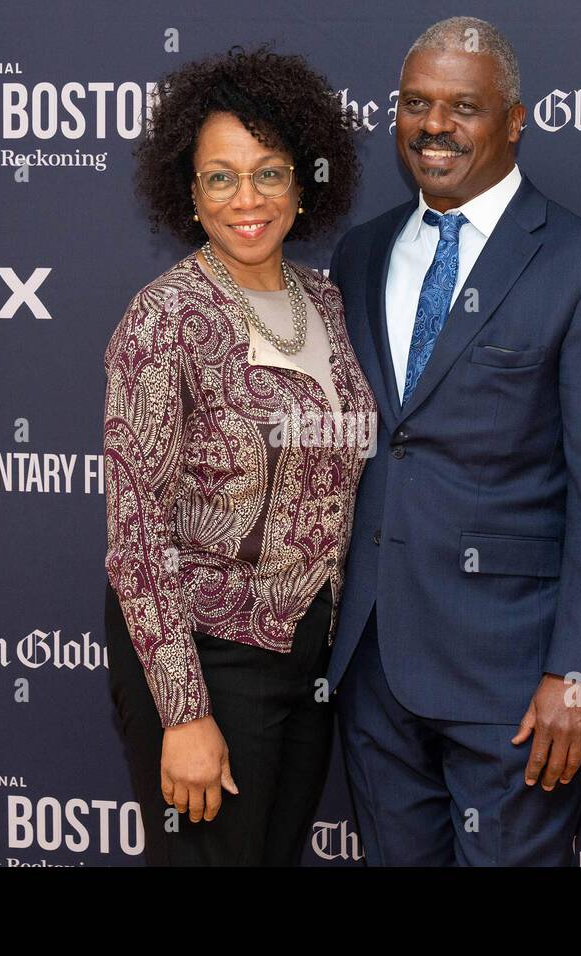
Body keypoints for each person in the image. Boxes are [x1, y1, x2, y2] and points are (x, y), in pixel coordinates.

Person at [326, 16, 581, 866]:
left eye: (463, 106)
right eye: (415, 104)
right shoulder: (359, 256)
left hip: (516, 679)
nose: (435, 126)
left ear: (513, 120)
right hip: (373, 666)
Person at [101, 44, 375, 866]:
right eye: (220, 176)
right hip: (204, 660)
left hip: (310, 659)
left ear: (303, 183)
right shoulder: (164, 320)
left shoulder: (330, 302)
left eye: (269, 172)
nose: (246, 198)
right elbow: (136, 534)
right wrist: (184, 715)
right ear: (188, 192)